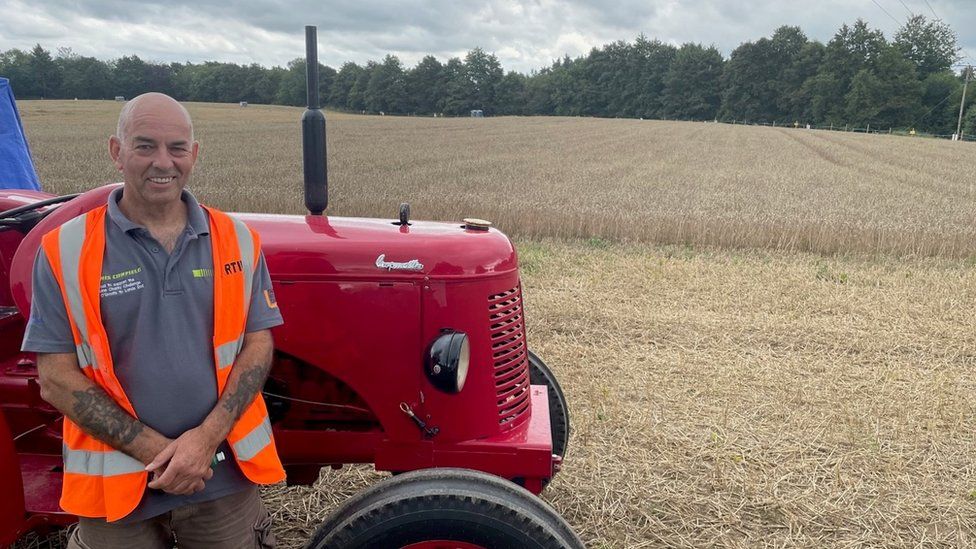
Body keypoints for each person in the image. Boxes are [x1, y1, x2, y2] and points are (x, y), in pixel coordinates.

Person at [21, 92, 285, 548]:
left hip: (220, 478)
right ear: (116, 151)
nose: (163, 162)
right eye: (145, 146)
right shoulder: (64, 249)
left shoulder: (238, 240)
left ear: (194, 154)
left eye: (176, 148)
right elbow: (56, 378)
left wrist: (204, 442)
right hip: (115, 489)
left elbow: (257, 346)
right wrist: (163, 455)